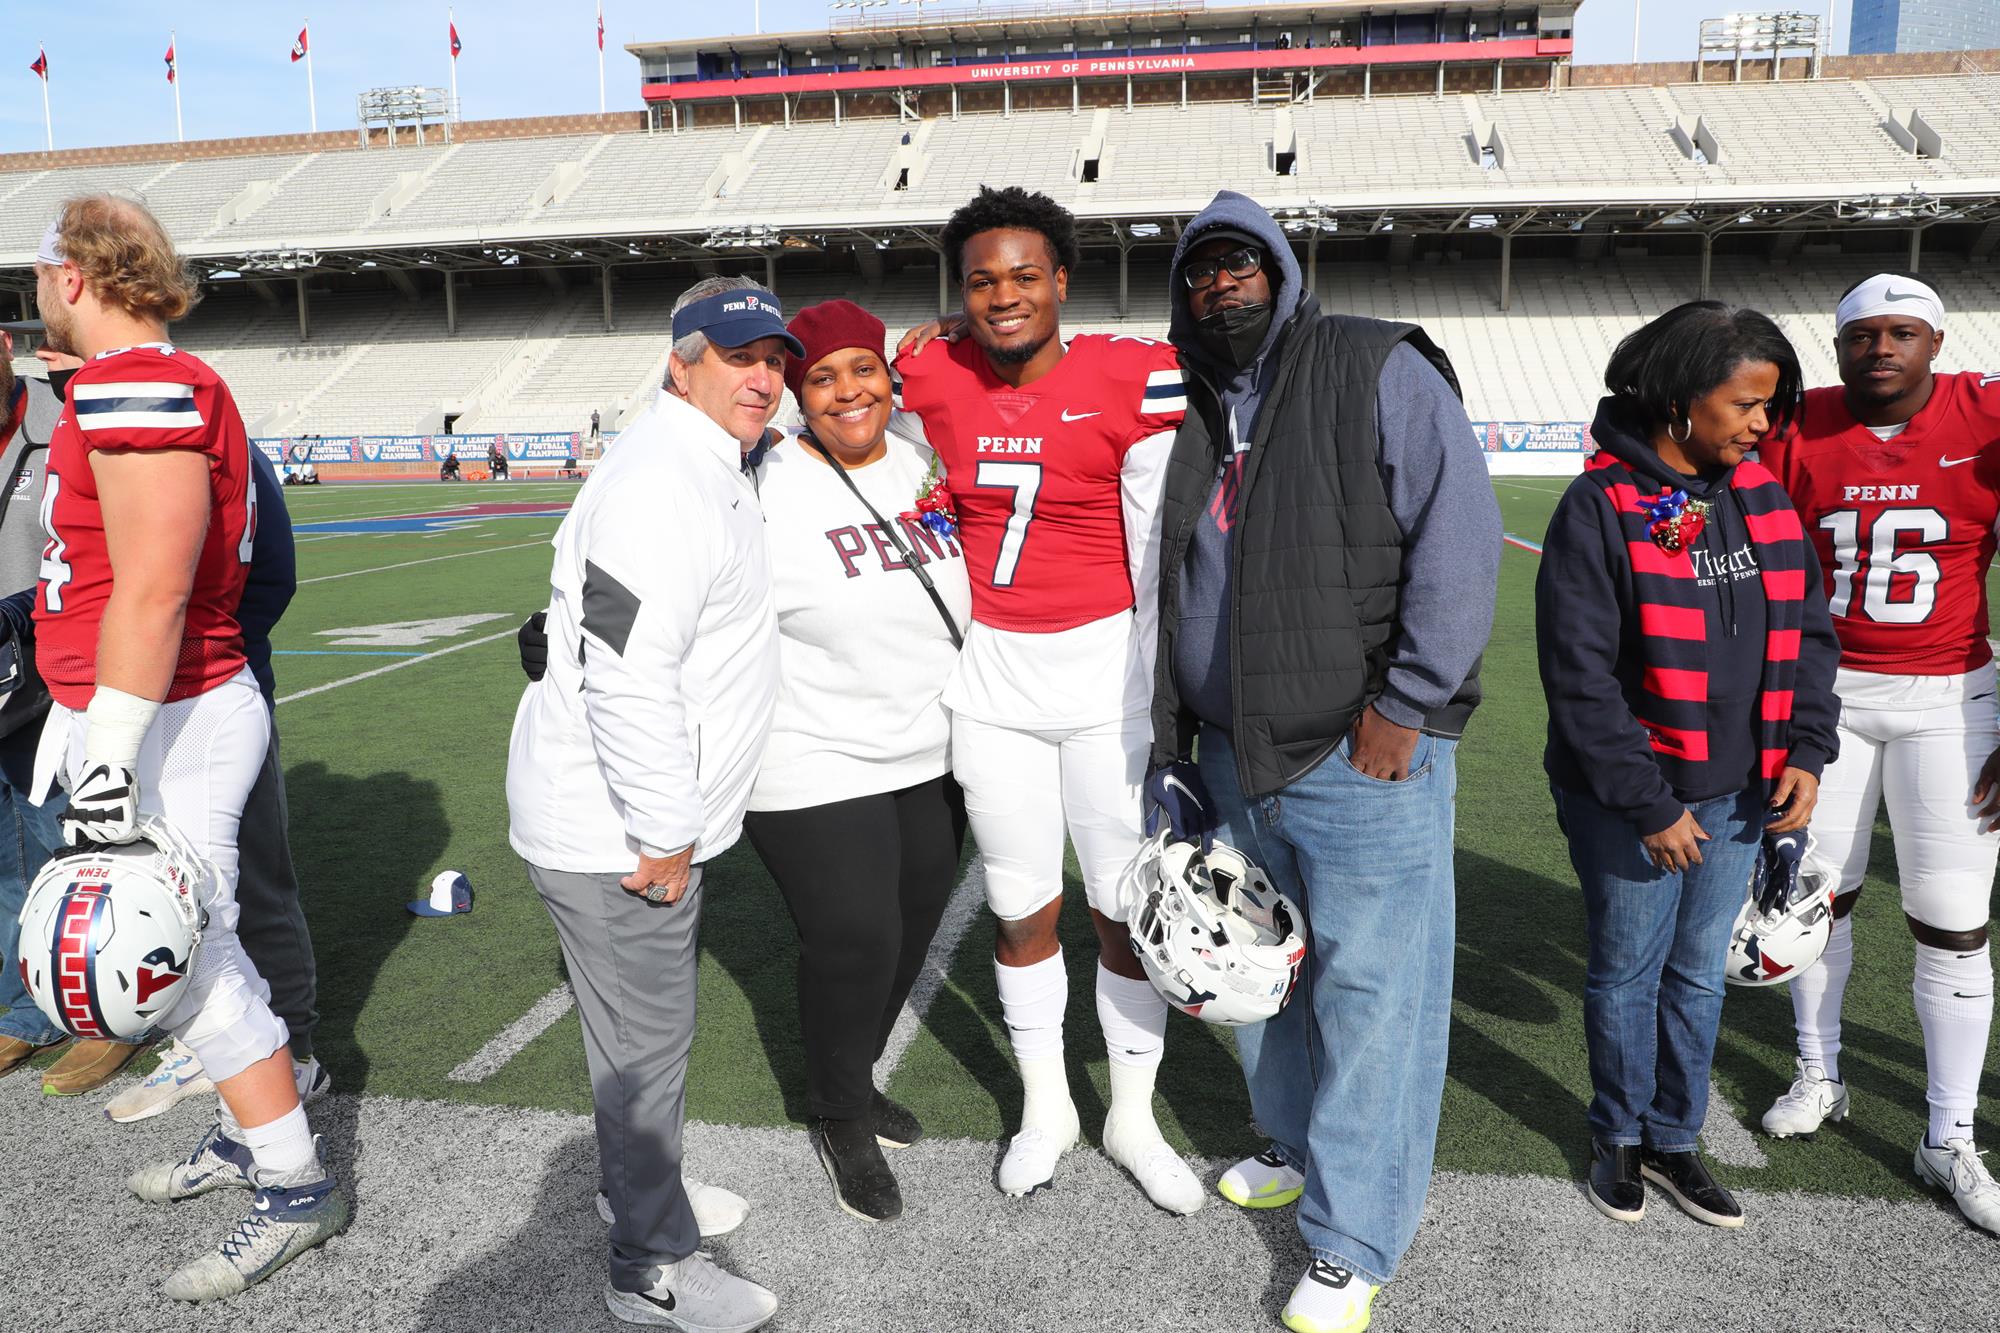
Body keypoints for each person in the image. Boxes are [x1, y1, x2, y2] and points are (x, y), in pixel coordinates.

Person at [1147, 190, 1500, 1333]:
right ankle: (1293, 1145)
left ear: (1286, 273)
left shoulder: (1372, 363)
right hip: (1236, 752)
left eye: (1241, 264)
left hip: (1359, 752)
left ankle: (1355, 1240)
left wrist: (1406, 703)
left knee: (1372, 997)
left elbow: (1457, 535)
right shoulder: (1197, 403)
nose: (1220, 285)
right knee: (1263, 979)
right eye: (1199, 272)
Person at [29, 194, 345, 1299]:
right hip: (160, 703)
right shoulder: (148, 379)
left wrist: (109, 746)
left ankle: (297, 1184)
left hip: (168, 710)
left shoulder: (134, 382)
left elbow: (157, 584)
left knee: (187, 953)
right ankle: (262, 1134)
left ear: (73, 276)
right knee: (206, 949)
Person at [893, 186, 1203, 1214]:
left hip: (1106, 681)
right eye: (980, 280)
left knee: (1120, 910)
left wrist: (1167, 704)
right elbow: (860, 404)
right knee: (1020, 904)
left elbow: (1163, 541)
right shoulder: (928, 367)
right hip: (991, 685)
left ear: (1061, 280)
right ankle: (1044, 1105)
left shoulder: (1133, 371)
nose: (1002, 295)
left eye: (1025, 275)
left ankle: (1129, 1111)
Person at [506, 274, 789, 1332]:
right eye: (737, 357)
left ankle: (642, 1191)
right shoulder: (662, 481)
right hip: (619, 829)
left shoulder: (699, 460)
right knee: (642, 1049)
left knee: (635, 1041)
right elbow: (627, 675)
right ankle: (649, 1262)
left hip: (622, 816)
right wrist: (666, 833)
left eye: (774, 360)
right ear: (682, 364)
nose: (762, 377)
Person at [1537, 302, 1841, 1236]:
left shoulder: (1767, 498)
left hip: (1744, 790)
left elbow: (1813, 638)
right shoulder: (1599, 505)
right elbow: (1580, 679)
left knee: (1699, 975)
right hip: (1634, 801)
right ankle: (1619, 1136)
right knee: (1627, 971)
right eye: (1747, 403)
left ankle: (1675, 1137)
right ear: (1678, 402)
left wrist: (1807, 750)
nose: (1763, 424)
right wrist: (1648, 802)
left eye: (1772, 405)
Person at [1756, 273, 2000, 1233]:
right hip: (1827, 699)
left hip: (1954, 696)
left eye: (1903, 333)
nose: (1881, 349)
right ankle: (1820, 1075)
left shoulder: (1983, 412)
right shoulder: (1793, 423)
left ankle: (1948, 1135)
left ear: (1937, 345)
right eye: (1862, 334)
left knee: (1951, 915)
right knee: (1820, 899)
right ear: (1838, 346)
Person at [739, 300, 970, 1223]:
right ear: (799, 391)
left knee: (915, 921)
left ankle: (853, 1075)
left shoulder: (920, 456)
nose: (847, 391)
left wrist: (945, 329)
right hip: (810, 747)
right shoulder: (761, 477)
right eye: (822, 376)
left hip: (929, 744)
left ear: (888, 374)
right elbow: (672, 553)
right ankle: (838, 1110)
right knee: (857, 933)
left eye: (862, 369)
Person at [105, 437, 332, 1125]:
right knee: (166, 882)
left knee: (255, 878)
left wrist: (214, 654)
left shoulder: (224, 442)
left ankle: (293, 1044)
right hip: (133, 699)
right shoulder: (98, 437)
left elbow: (272, 577)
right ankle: (203, 1041)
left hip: (217, 694)